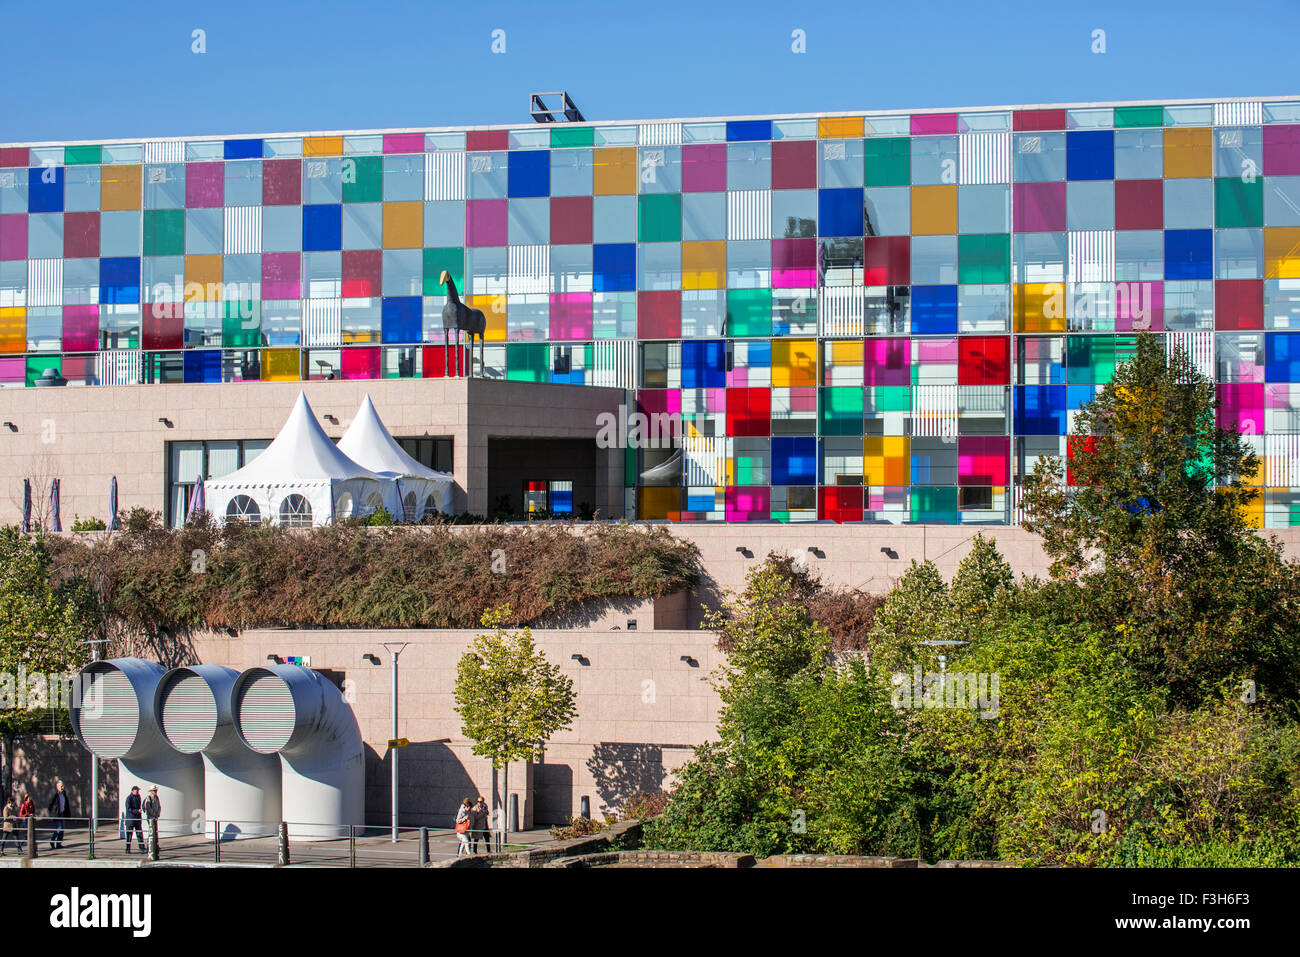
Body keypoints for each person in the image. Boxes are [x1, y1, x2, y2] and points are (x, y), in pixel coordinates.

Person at [47, 780, 70, 849]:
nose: (62, 787)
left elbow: (66, 805)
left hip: (62, 813)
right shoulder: (55, 795)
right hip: (56, 814)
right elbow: (50, 805)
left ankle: (58, 844)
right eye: (61, 786)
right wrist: (52, 813)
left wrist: (67, 814)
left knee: (62, 829)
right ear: (57, 787)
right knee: (59, 828)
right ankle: (52, 840)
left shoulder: (64, 794)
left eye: (63, 786)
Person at [124, 785, 144, 853]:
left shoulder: (138, 797)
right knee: (129, 835)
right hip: (131, 819)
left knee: (139, 834)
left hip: (137, 819)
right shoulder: (129, 798)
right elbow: (129, 809)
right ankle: (128, 849)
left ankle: (142, 848)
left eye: (138, 790)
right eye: (136, 790)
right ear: (133, 791)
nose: (138, 792)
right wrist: (137, 811)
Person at [142, 786, 161, 851]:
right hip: (150, 817)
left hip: (155, 816)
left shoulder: (156, 797)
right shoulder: (149, 798)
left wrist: (158, 814)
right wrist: (153, 814)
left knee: (155, 831)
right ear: (151, 791)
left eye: (156, 790)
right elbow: (148, 808)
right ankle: (149, 846)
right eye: (154, 790)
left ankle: (156, 845)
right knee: (151, 831)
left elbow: (159, 806)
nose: (155, 792)